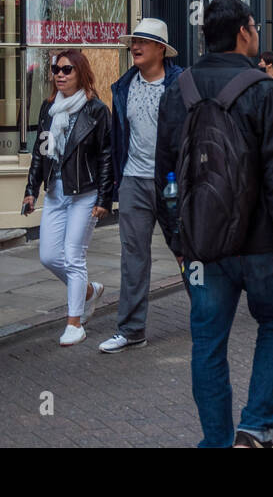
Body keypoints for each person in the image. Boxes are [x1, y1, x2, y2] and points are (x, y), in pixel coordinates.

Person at [154, 0, 273, 446]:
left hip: (202, 247)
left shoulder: (178, 91)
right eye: (254, 27)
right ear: (243, 32)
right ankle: (254, 427)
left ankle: (217, 441)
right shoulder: (262, 90)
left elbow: (163, 176)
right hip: (260, 244)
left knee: (207, 342)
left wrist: (180, 241)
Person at [100, 19, 184, 354]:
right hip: (133, 180)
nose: (135, 46)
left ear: (161, 49)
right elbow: (114, 142)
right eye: (133, 41)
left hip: (172, 182)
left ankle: (209, 312)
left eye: (144, 42)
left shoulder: (181, 85)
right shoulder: (122, 87)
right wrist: (110, 190)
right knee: (133, 257)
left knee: (186, 249)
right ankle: (132, 329)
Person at [24, 49, 113, 347]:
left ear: (80, 73)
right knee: (49, 255)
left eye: (66, 70)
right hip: (55, 191)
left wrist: (104, 198)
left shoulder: (96, 111)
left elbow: (106, 157)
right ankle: (88, 291)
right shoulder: (49, 108)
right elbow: (40, 152)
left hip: (85, 193)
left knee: (74, 255)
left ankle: (75, 323)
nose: (59, 75)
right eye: (56, 69)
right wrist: (30, 190)